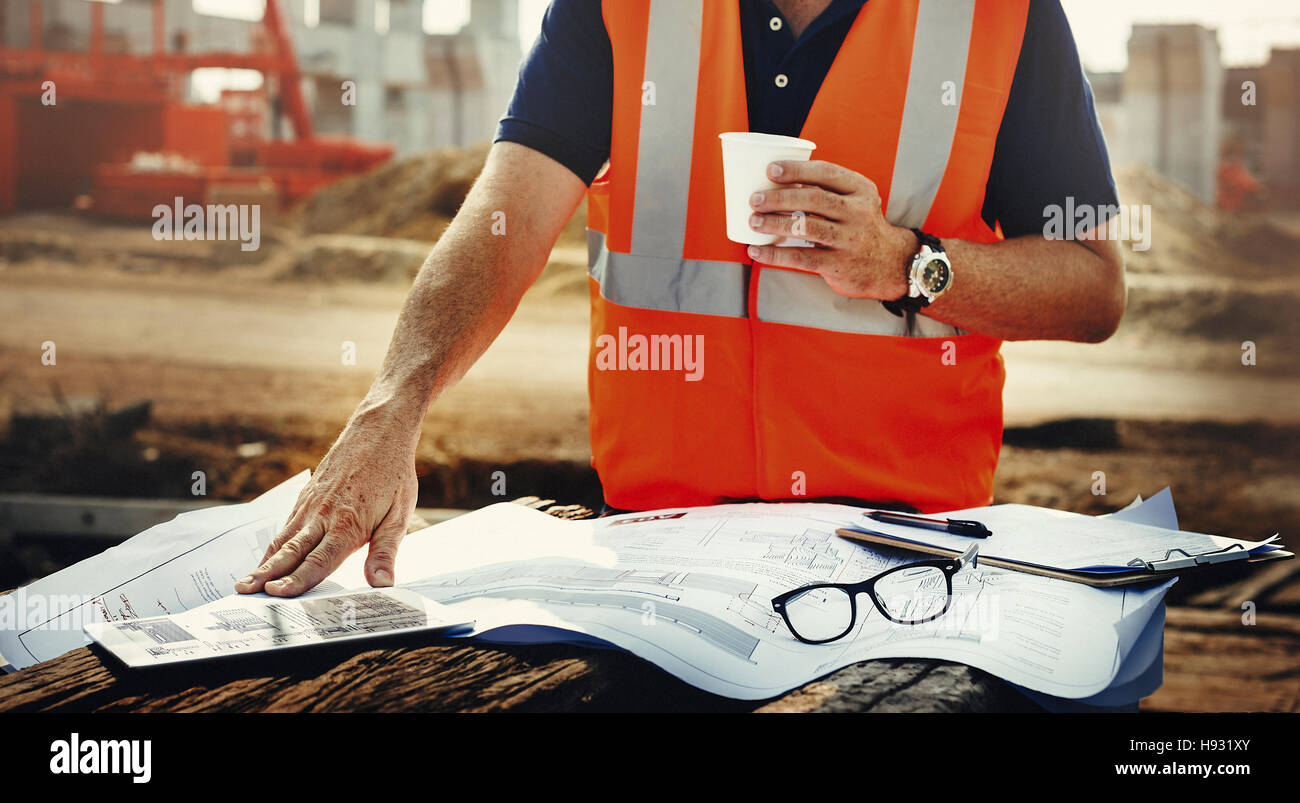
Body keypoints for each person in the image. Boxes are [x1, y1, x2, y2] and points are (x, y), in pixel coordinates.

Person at [237, 0, 1125, 598]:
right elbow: (505, 213)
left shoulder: (1002, 17)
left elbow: (1094, 287)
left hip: (909, 556)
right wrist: (396, 402)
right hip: (659, 555)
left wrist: (910, 264)